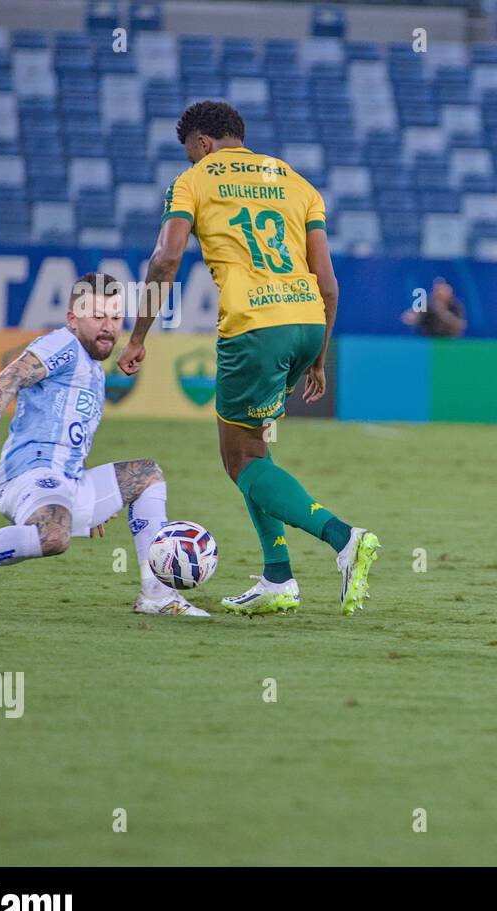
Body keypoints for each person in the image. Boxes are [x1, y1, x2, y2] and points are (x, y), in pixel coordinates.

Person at [116, 101, 379, 617]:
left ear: (202, 144)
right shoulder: (298, 183)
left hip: (254, 327)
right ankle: (278, 578)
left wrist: (138, 335)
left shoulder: (192, 181)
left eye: (190, 150)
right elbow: (328, 282)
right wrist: (318, 356)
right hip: (306, 322)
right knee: (254, 449)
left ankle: (344, 537)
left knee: (239, 461)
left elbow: (166, 259)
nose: (192, 158)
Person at [0, 274, 207, 617]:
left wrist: (84, 502)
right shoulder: (63, 345)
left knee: (146, 475)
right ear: (73, 319)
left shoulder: (93, 368)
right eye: (97, 316)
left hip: (67, 481)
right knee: (52, 537)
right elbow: (10, 376)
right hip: (29, 473)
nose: (108, 327)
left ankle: (157, 595)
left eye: (116, 318)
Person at [401, 277, 466, 337]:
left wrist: (443, 313)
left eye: (441, 290)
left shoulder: (455, 305)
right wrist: (413, 317)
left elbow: (461, 325)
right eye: (436, 290)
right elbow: (414, 316)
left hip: (449, 342)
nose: (438, 293)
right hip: (429, 342)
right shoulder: (428, 304)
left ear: (449, 291)